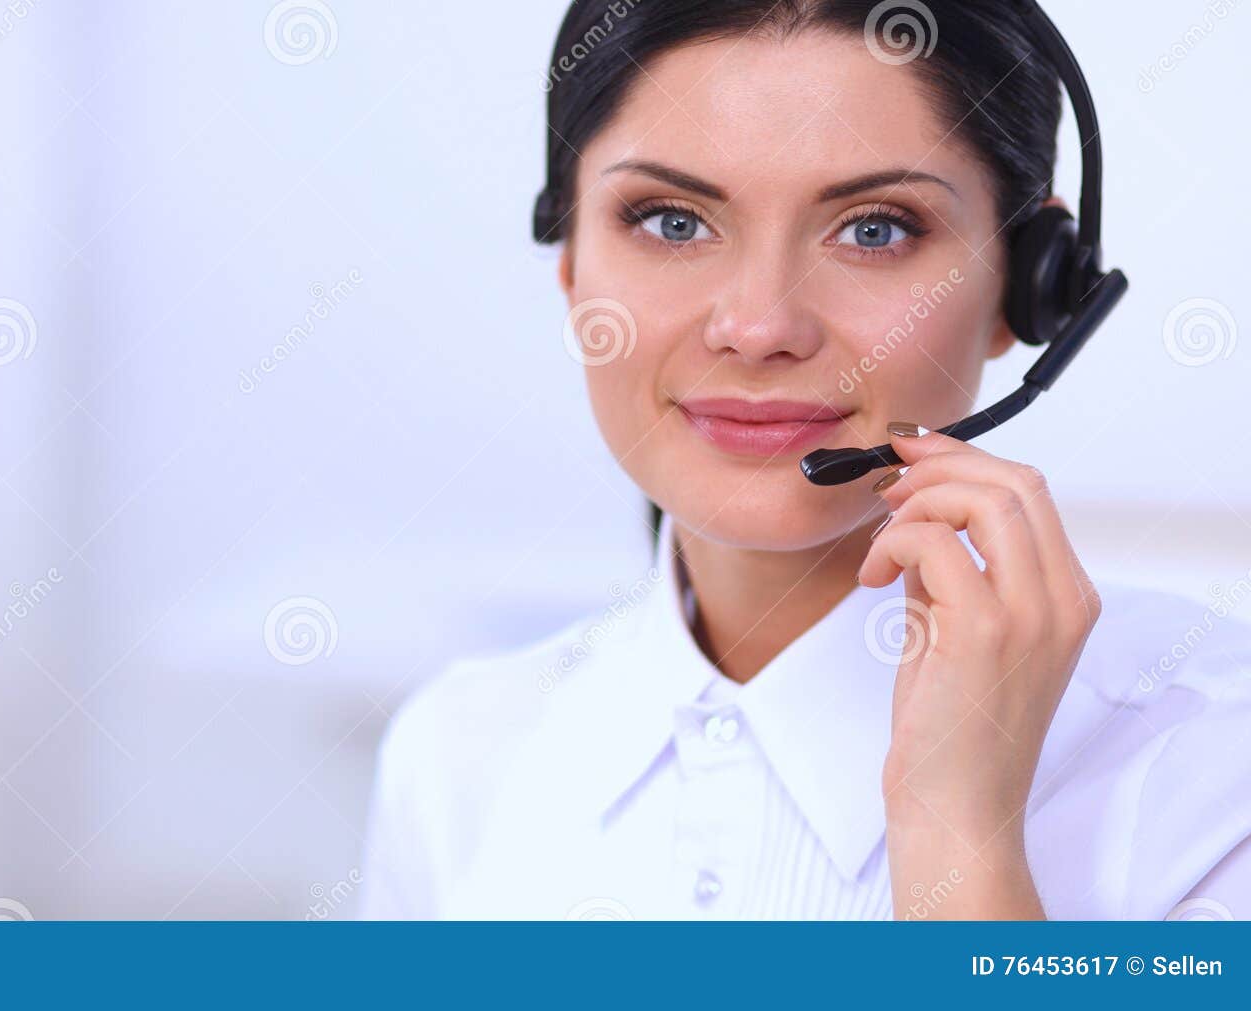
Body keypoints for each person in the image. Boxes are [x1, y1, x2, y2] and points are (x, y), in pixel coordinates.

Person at [357, 0, 1251, 920]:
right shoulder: (454, 755)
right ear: (572, 266)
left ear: (1028, 287)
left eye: (874, 229)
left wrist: (958, 835)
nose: (758, 327)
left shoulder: (1216, 767)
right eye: (671, 222)